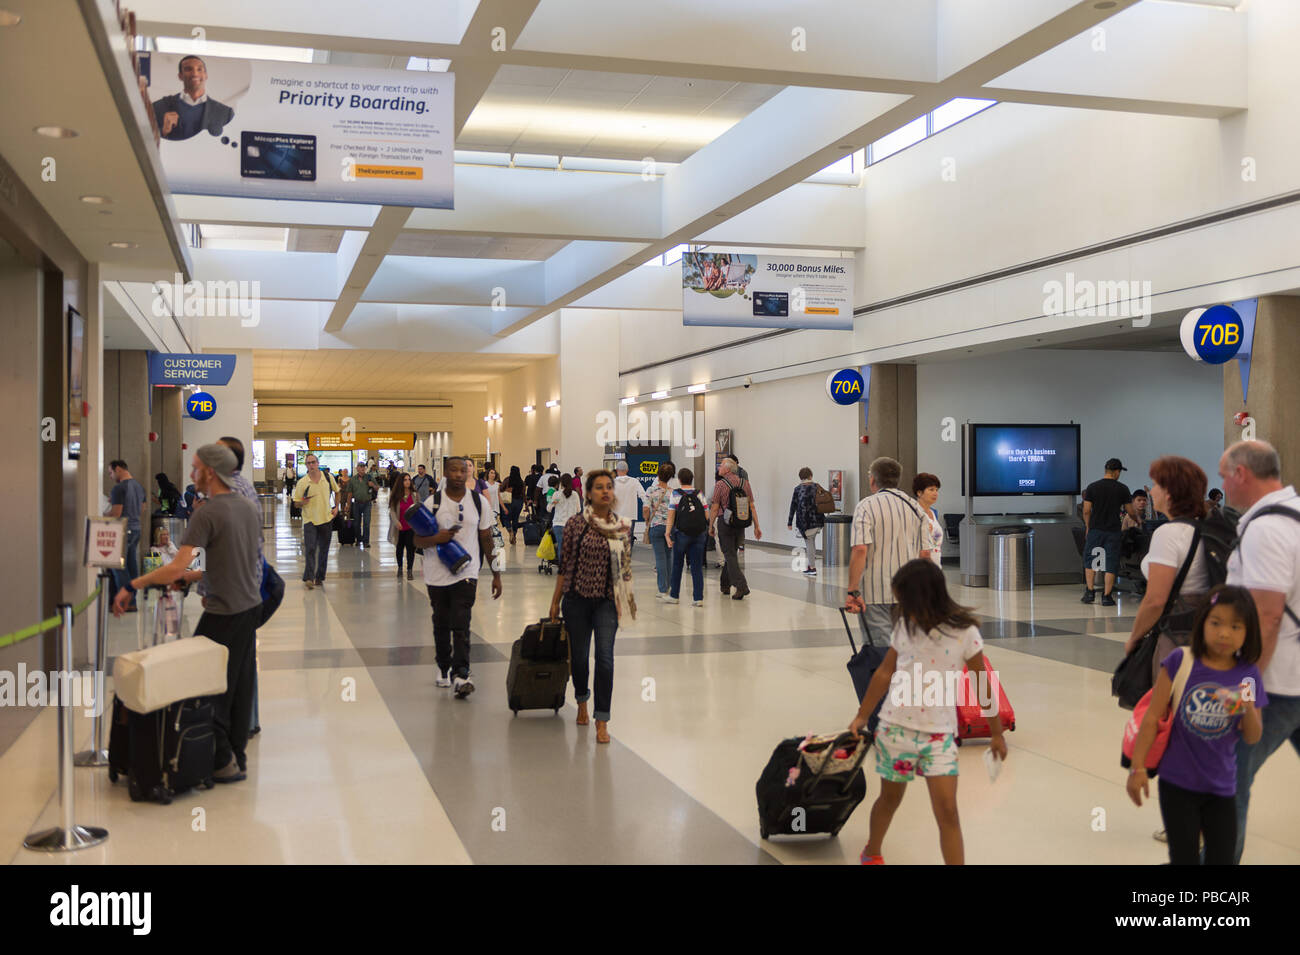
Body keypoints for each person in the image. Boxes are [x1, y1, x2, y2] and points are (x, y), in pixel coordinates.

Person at [112, 444, 260, 783]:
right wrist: (197, 578)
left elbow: (175, 568)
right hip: (249, 607)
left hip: (224, 612)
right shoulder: (249, 509)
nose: (192, 476)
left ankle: (220, 759)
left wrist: (133, 584)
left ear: (210, 472)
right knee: (238, 684)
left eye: (195, 469)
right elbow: (236, 564)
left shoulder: (206, 513)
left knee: (207, 684)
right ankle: (234, 758)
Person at [848, 559, 1006, 865]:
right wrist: (862, 716)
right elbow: (884, 673)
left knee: (947, 810)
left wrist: (997, 732)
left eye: (903, 598)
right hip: (896, 730)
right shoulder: (907, 627)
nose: (900, 606)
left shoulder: (964, 633)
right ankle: (872, 852)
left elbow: (981, 682)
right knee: (891, 799)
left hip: (940, 736)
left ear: (922, 596)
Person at [1126, 585, 1266, 865]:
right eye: (1216, 623)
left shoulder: (1247, 674)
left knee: (1221, 857)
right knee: (1184, 857)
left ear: (1248, 632)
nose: (1224, 633)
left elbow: (1252, 736)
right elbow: (1152, 718)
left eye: (1236, 626)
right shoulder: (1181, 661)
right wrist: (1137, 767)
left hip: (1222, 787)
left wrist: (1246, 705)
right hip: (1178, 784)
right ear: (1201, 623)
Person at [1218, 439, 1300, 863]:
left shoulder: (1266, 528)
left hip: (1277, 682)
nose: (1223, 486)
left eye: (1223, 475)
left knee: (1226, 777)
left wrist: (1245, 688)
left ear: (1242, 474)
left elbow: (1266, 615)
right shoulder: (1294, 515)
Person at [549, 469, 635, 744]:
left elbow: (624, 568)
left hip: (606, 602)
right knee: (581, 658)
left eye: (609, 486)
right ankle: (582, 700)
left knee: (606, 660)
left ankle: (602, 720)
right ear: (588, 493)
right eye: (599, 487)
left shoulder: (621, 526)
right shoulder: (576, 524)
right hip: (576, 600)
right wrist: (555, 601)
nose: (606, 491)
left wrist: (623, 601)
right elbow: (564, 566)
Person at [412, 456, 501, 698]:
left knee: (461, 622)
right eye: (454, 470)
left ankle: (461, 674)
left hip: (467, 572)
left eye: (463, 470)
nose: (459, 475)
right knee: (441, 623)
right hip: (436, 574)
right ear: (446, 473)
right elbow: (417, 540)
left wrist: (496, 572)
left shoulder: (479, 502)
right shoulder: (433, 503)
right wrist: (436, 539)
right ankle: (443, 665)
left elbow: (487, 538)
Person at [1123, 457, 1211, 686]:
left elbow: (1155, 599)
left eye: (1155, 485)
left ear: (1169, 493)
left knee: (1168, 707)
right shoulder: (1207, 529)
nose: (1151, 491)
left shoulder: (1169, 533)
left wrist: (1134, 637)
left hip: (1177, 634)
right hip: (1206, 629)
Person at [845, 457, 930, 642]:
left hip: (875, 592)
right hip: (908, 592)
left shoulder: (866, 506)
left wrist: (852, 591)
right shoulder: (916, 508)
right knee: (907, 648)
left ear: (873, 480)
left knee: (880, 650)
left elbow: (860, 549)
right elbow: (925, 554)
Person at [1082, 457, 1138, 607]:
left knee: (1090, 560)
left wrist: (1088, 526)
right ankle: (1107, 596)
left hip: (1095, 529)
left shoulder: (1092, 487)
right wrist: (1139, 521)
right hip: (1113, 531)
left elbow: (1086, 510)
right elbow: (1130, 511)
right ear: (1116, 472)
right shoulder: (1122, 488)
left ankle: (1089, 593)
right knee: (1111, 562)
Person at [708, 456, 761, 599]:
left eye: (721, 466)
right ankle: (725, 585)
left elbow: (714, 508)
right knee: (731, 555)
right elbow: (751, 506)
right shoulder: (745, 483)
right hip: (741, 523)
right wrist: (757, 526)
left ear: (727, 469)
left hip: (725, 524)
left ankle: (741, 586)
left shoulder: (720, 485)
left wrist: (710, 526)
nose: (719, 468)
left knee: (730, 555)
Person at [151, 54, 234, 141]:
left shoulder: (225, 113)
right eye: (188, 69)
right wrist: (164, 131)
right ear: (180, 76)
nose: (195, 74)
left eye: (199, 69)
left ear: (206, 75)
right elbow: (145, 140)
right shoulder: (158, 107)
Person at [292, 454, 339, 589]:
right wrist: (302, 502)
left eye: (313, 462)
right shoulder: (302, 483)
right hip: (310, 520)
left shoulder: (328, 478)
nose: (311, 465)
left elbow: (337, 491)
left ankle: (319, 576)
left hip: (326, 519)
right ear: (306, 466)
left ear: (318, 463)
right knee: (311, 548)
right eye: (308, 463)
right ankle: (309, 577)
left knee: (324, 550)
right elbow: (296, 503)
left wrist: (336, 507)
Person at [106, 460, 147, 612]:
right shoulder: (139, 486)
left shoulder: (119, 488)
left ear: (118, 469)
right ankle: (133, 600)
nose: (110, 476)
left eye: (110, 472)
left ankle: (125, 601)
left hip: (123, 530)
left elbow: (116, 513)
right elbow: (143, 508)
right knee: (131, 565)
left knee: (118, 567)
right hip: (136, 529)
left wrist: (104, 513)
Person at [665, 468, 708, 606]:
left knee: (677, 564)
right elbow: (706, 515)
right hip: (699, 534)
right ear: (692, 479)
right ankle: (698, 598)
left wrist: (667, 533)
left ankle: (674, 596)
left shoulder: (676, 494)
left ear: (679, 479)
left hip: (681, 534)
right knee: (696, 566)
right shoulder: (699, 493)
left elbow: (671, 515)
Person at [644, 462, 677, 598]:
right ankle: (669, 585)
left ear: (658, 475)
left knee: (660, 558)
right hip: (671, 528)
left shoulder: (651, 490)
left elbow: (646, 509)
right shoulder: (673, 492)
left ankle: (662, 589)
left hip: (656, 527)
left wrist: (647, 520)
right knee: (669, 557)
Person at [788, 467, 827, 578]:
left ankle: (813, 568)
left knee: (809, 543)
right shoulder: (817, 487)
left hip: (805, 522)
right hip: (818, 520)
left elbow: (793, 506)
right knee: (811, 542)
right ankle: (810, 566)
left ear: (800, 477)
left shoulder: (798, 489)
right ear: (811, 475)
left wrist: (789, 522)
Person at [613, 461, 650, 551]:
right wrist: (646, 506)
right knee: (628, 539)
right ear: (627, 470)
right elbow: (643, 496)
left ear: (617, 470)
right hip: (630, 515)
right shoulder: (634, 481)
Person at [390, 471, 418, 580]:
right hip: (400, 526)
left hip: (411, 527)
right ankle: (400, 568)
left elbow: (419, 509)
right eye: (405, 480)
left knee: (411, 549)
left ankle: (410, 570)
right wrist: (396, 521)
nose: (407, 482)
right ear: (401, 482)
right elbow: (392, 510)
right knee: (400, 548)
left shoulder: (415, 495)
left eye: (409, 480)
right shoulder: (396, 495)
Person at [913, 472, 944, 569]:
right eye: (931, 490)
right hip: (920, 567)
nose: (935, 493)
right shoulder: (915, 513)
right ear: (919, 492)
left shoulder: (933, 512)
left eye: (936, 490)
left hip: (936, 564)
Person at [548, 472, 582, 556]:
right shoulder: (575, 495)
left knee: (561, 546)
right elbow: (579, 510)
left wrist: (554, 503)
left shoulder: (556, 494)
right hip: (571, 525)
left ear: (561, 483)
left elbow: (548, 509)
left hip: (558, 524)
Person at [347, 463, 377, 548]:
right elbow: (350, 493)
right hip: (357, 503)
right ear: (357, 468)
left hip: (367, 503)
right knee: (356, 523)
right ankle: (358, 539)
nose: (362, 468)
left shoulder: (369, 477)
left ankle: (366, 541)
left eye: (364, 467)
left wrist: (373, 485)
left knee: (366, 523)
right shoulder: (352, 480)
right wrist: (348, 505)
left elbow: (377, 487)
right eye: (360, 467)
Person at [503, 465, 526, 544]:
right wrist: (526, 504)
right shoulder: (521, 482)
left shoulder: (507, 480)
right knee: (515, 519)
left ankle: (510, 532)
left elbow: (502, 488)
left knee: (506, 518)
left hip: (509, 501)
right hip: (519, 502)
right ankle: (514, 536)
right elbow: (523, 494)